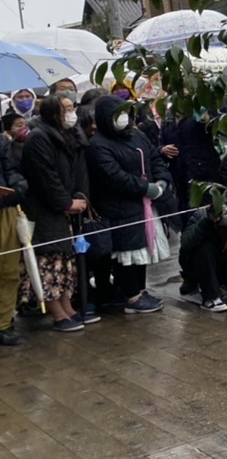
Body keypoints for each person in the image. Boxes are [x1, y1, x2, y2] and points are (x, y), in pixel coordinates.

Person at [85, 95, 171, 313]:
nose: (123, 118)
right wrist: (144, 187)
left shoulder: (137, 135)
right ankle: (131, 295)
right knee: (125, 254)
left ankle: (140, 290)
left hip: (143, 206)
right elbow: (113, 176)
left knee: (141, 249)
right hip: (119, 207)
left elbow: (155, 158)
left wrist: (161, 180)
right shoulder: (98, 145)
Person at [20, 94, 93, 331]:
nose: (72, 113)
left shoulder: (71, 136)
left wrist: (80, 197)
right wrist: (65, 202)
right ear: (53, 113)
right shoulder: (38, 138)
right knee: (49, 261)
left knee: (64, 262)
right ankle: (57, 313)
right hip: (45, 211)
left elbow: (78, 171)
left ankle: (68, 306)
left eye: (73, 108)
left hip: (66, 209)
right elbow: (45, 177)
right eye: (66, 109)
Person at [0, 130, 27, 345]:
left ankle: (3, 323)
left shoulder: (2, 141)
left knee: (8, 271)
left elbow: (11, 169)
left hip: (5, 211)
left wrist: (18, 186)